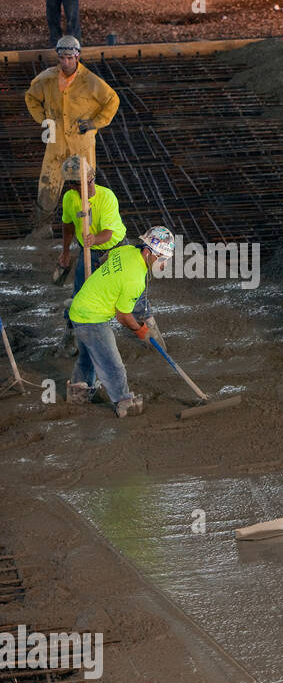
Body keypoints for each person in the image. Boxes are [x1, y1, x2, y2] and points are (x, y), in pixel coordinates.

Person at [57, 157, 164, 356]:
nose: (88, 187)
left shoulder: (107, 197)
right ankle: (70, 338)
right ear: (72, 186)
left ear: (92, 177)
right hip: (89, 252)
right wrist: (65, 252)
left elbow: (108, 232)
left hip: (116, 248)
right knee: (80, 296)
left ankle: (154, 339)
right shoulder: (69, 199)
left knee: (135, 299)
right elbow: (68, 225)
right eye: (81, 185)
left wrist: (94, 238)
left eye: (90, 181)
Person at [66, 227, 175, 418]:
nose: (164, 264)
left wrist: (111, 285)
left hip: (79, 308)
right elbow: (123, 316)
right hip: (92, 317)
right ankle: (124, 403)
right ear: (148, 252)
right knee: (111, 363)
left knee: (89, 356)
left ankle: (78, 394)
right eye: (162, 258)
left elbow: (110, 258)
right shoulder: (134, 280)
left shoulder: (127, 250)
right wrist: (140, 330)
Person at [24, 35, 119, 237]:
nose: (66, 62)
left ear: (77, 57)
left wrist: (94, 123)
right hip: (56, 142)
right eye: (62, 58)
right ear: (58, 58)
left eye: (70, 57)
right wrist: (43, 119)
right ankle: (42, 229)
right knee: (48, 184)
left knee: (85, 186)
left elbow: (112, 100)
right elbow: (31, 97)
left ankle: (88, 230)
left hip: (81, 142)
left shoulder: (91, 82)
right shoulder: (47, 79)